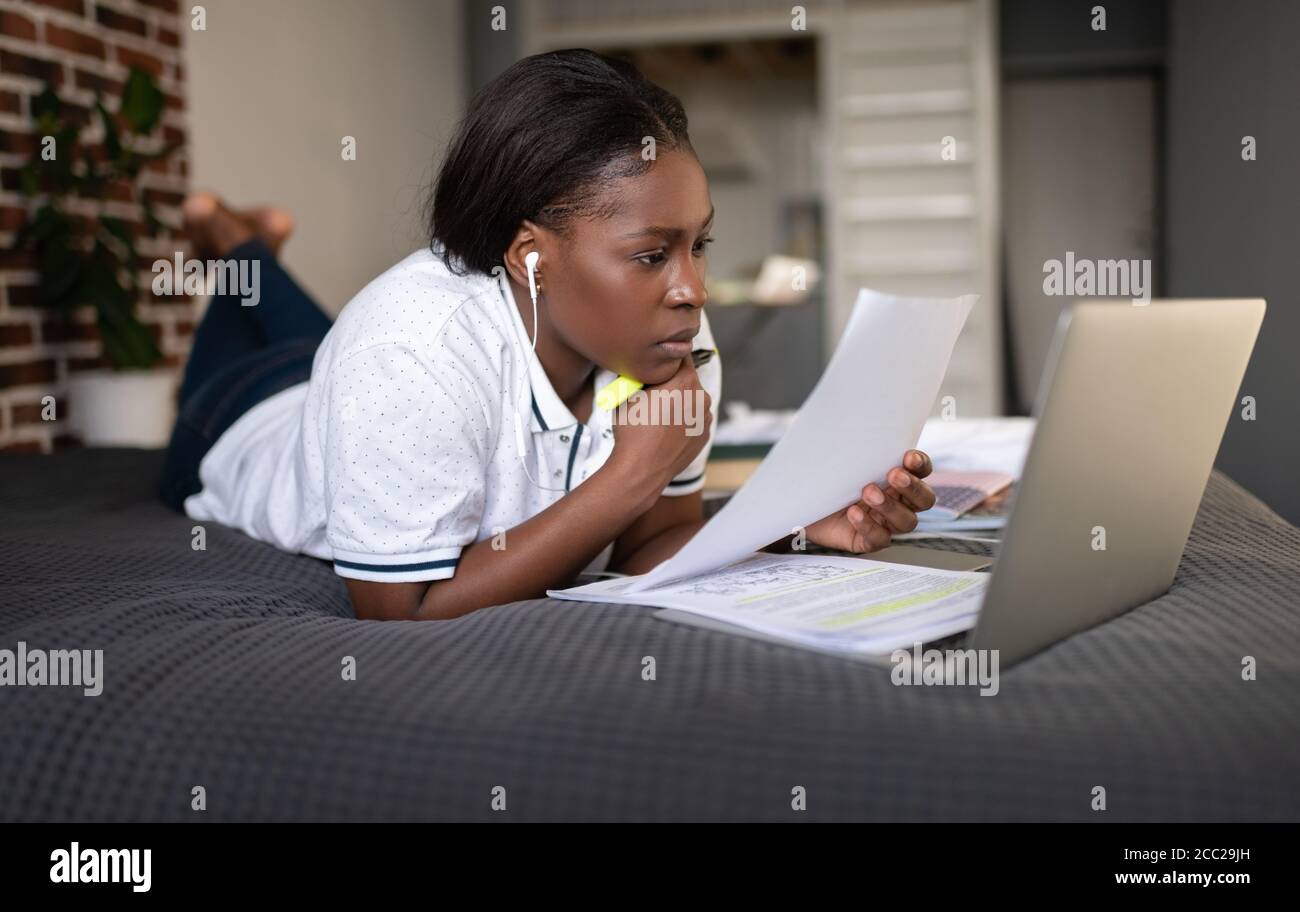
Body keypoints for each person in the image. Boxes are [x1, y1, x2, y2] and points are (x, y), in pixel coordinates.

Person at [160, 49, 937, 622]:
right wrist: (627, 476)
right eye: (649, 254)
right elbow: (404, 614)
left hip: (358, 383)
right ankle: (232, 240)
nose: (692, 290)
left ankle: (246, 241)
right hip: (240, 419)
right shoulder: (402, 354)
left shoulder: (670, 346)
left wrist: (795, 533)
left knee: (310, 332)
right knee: (264, 328)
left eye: (699, 244)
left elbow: (652, 542)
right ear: (532, 256)